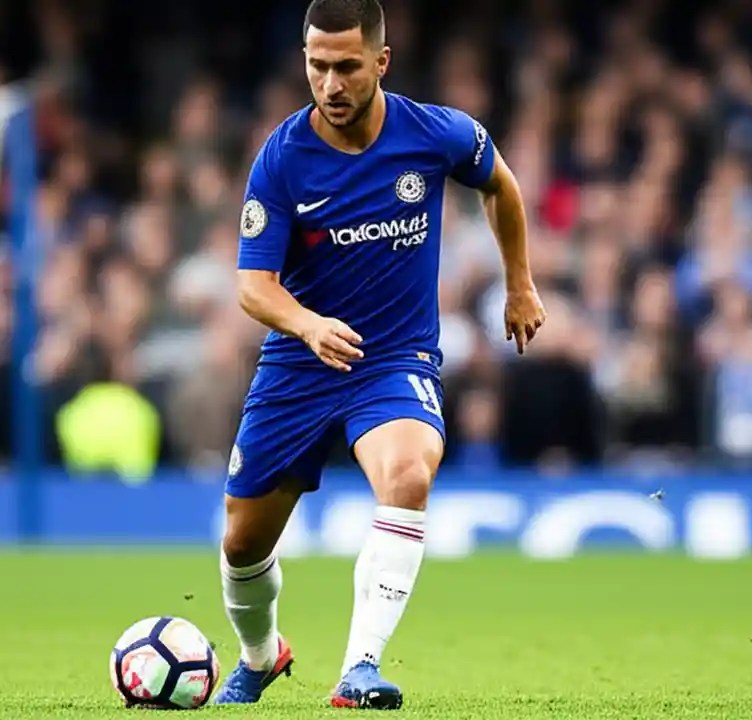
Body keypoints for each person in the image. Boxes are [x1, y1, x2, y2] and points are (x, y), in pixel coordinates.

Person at [213, 0, 545, 710]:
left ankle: (359, 668)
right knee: (241, 543)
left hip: (393, 357)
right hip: (301, 364)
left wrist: (519, 283)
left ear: (381, 63)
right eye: (316, 66)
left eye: (345, 67)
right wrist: (306, 325)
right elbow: (252, 286)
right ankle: (261, 655)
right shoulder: (283, 159)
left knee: (408, 475)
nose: (329, 84)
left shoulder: (434, 133)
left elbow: (501, 184)